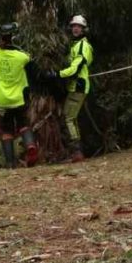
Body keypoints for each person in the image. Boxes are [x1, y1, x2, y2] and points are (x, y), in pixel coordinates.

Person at [45, 14, 94, 163]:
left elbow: (76, 68)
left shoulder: (82, 46)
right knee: (70, 117)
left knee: (69, 117)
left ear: (84, 29)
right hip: (74, 85)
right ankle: (75, 152)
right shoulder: (75, 45)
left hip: (79, 86)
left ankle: (77, 152)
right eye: (73, 26)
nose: (75, 28)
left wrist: (57, 74)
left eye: (78, 26)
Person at [0, 22, 39, 168]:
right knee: (23, 124)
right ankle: (30, 145)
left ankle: (10, 163)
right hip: (18, 98)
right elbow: (31, 65)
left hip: (2, 99)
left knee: (6, 130)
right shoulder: (22, 57)